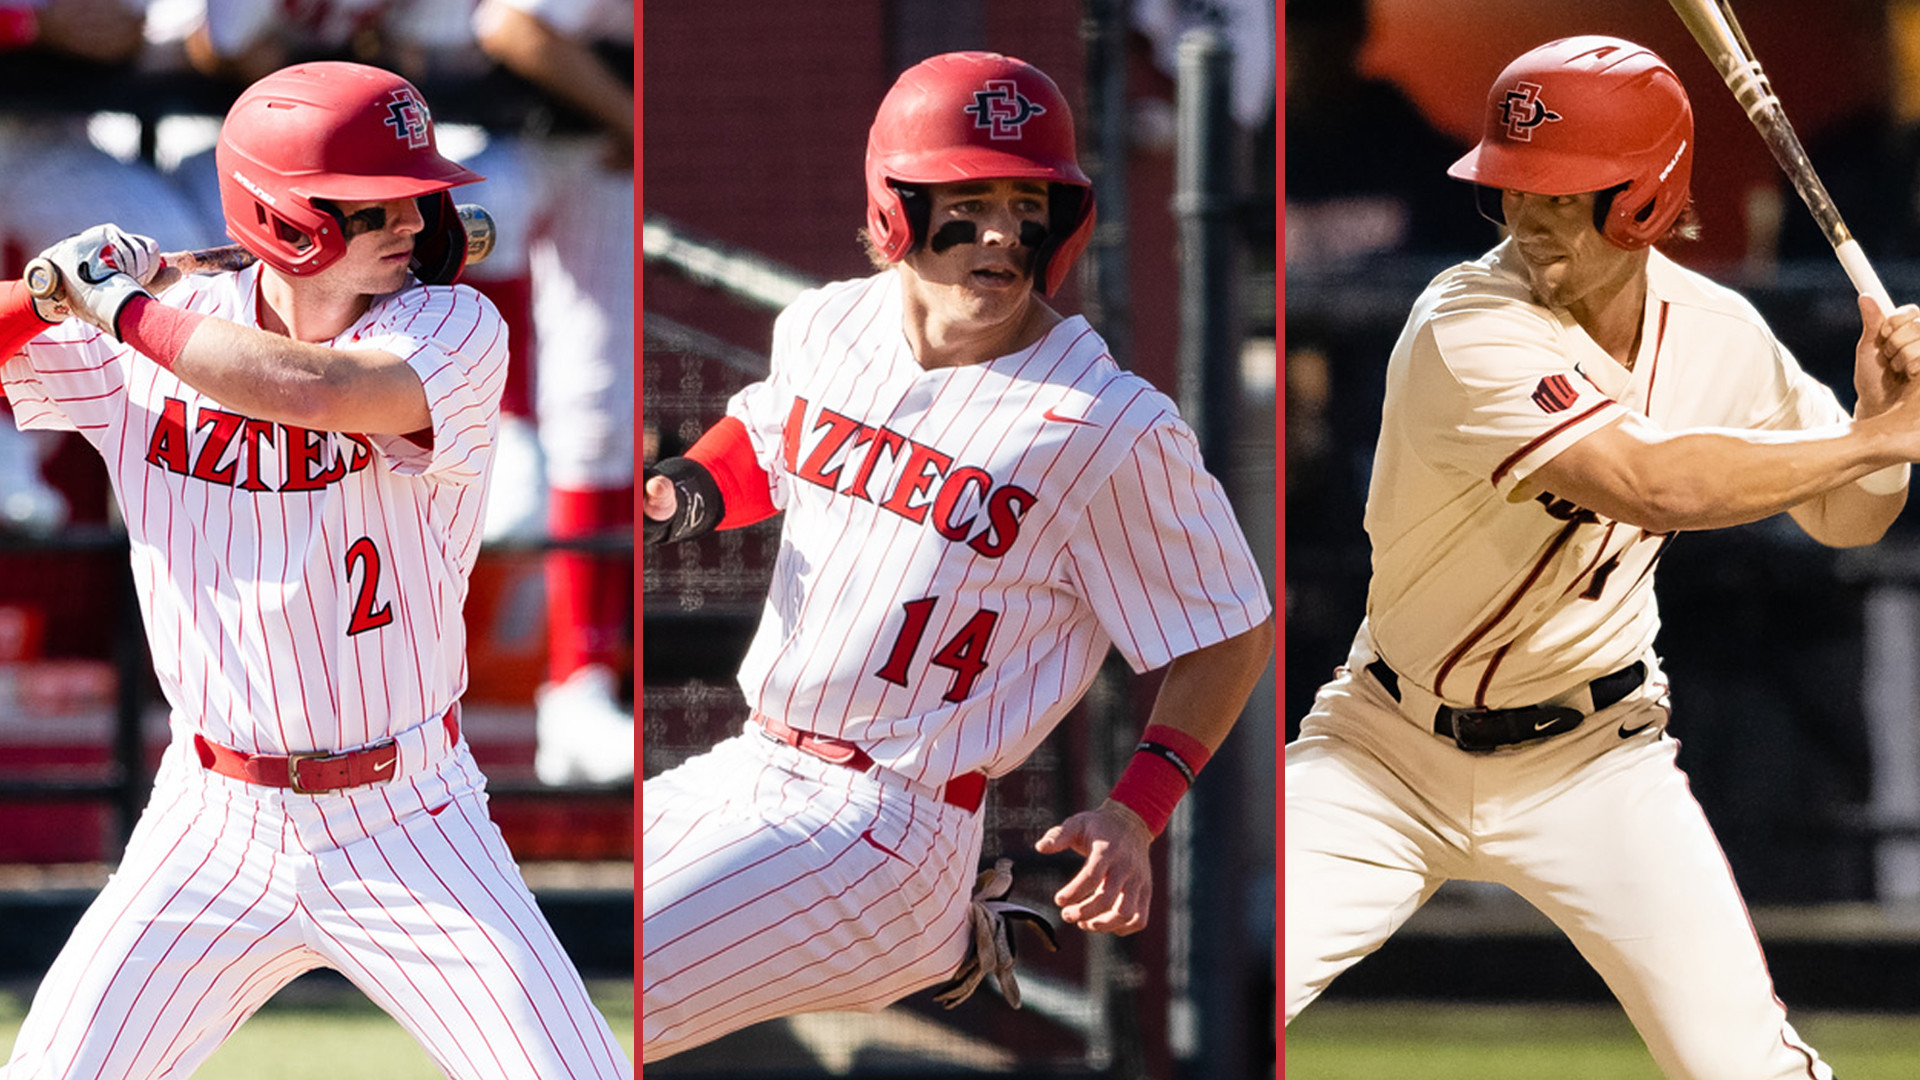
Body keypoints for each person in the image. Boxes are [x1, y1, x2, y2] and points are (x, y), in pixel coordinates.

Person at [1284, 35, 1920, 1080]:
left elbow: (1847, 518)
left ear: (1645, 199)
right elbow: (1645, 481)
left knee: (1753, 1070)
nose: (1527, 216)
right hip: (1387, 754)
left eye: (1560, 192)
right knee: (1199, 1006)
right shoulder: (1465, 322)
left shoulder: (1717, 332)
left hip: (1596, 760)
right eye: (1512, 186)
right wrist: (1874, 440)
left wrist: (1879, 431)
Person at [639, 50, 1273, 1061]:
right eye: (969, 203)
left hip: (891, 824)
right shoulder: (830, 323)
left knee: (595, 998)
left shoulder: (1108, 424)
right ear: (896, 208)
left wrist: (1136, 813)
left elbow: (1230, 631)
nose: (1003, 234)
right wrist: (683, 494)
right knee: (528, 955)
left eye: (1029, 205)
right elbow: (771, 438)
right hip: (755, 765)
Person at [0, 61, 631, 1077]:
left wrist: (119, 309)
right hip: (209, 824)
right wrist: (52, 295)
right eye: (375, 203)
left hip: (409, 821)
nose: (415, 221)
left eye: (419, 195)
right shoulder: (152, 326)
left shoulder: (451, 326)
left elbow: (310, 388)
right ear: (283, 217)